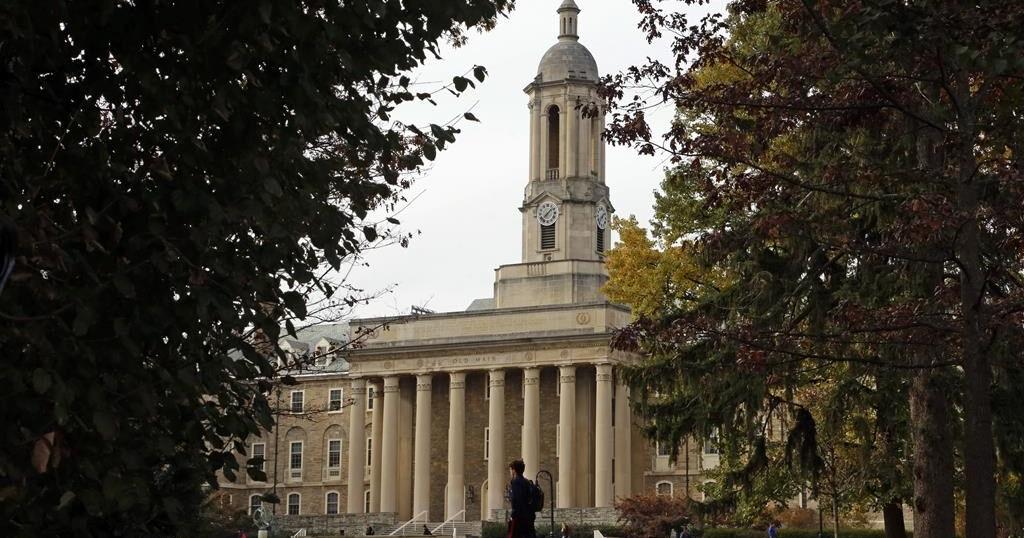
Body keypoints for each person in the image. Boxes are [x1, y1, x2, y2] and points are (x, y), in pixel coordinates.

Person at [507, 459, 536, 538]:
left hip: (520, 519)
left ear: (514, 470)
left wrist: (513, 516)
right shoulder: (527, 482)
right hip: (529, 517)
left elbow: (517, 501)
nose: (510, 472)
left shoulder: (516, 482)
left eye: (510, 469)